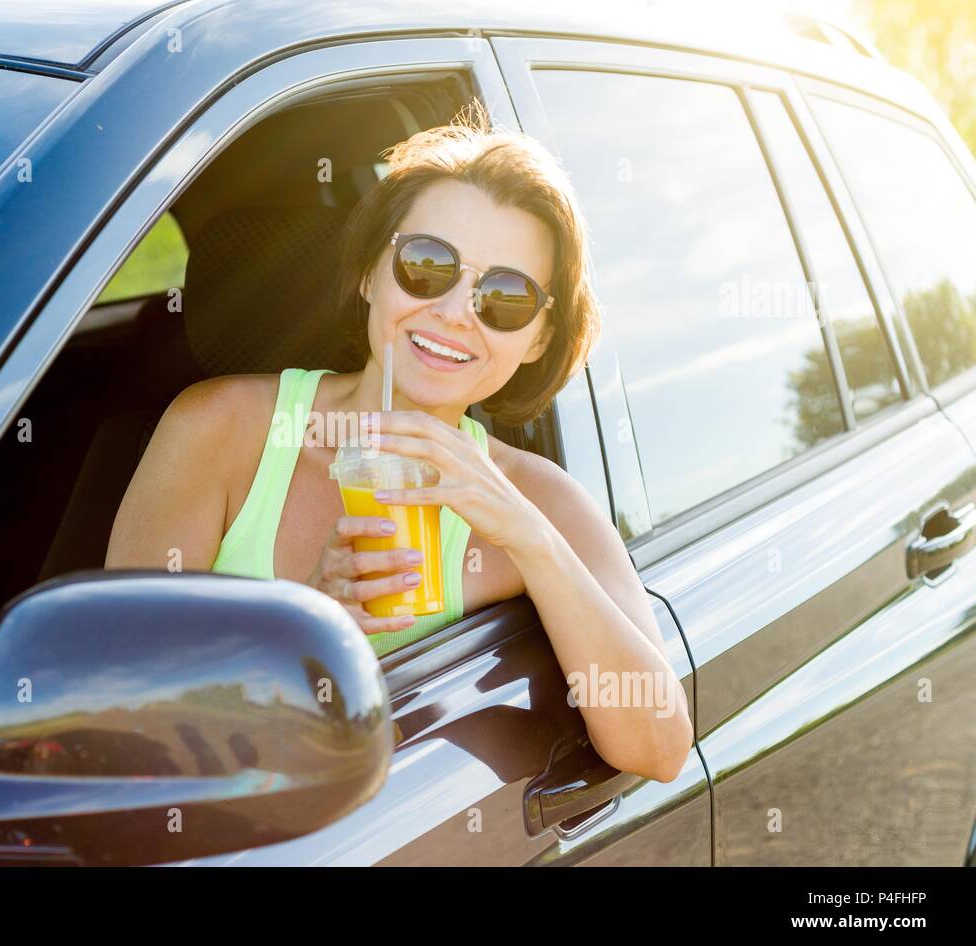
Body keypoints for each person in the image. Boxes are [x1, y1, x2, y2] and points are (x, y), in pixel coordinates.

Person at [106, 100, 692, 782]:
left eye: (504, 298)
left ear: (536, 336)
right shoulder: (221, 429)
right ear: (367, 273)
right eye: (426, 264)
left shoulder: (536, 501)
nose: (453, 314)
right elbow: (116, 701)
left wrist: (527, 537)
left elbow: (658, 749)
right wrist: (309, 619)